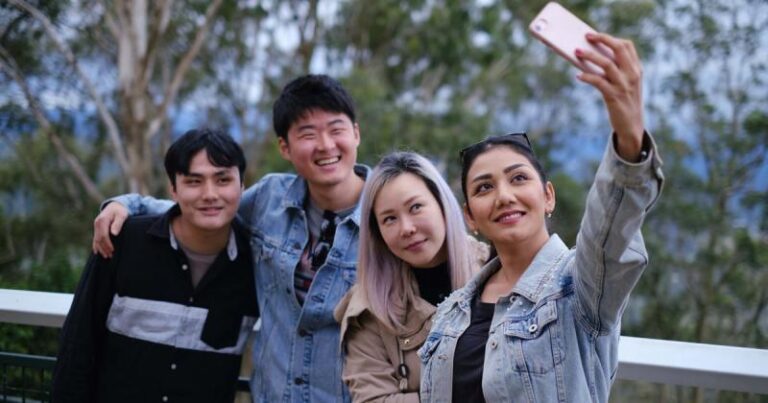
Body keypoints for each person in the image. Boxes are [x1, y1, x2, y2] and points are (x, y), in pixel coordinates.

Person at [418, 33, 664, 403]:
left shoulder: (580, 288)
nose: (504, 196)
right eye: (484, 188)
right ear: (470, 216)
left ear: (547, 196)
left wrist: (628, 140)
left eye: (518, 178)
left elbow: (608, 233)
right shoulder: (451, 312)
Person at [91, 75, 367, 402]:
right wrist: (126, 204)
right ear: (284, 147)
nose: (325, 145)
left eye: (336, 130)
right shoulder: (270, 200)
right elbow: (208, 208)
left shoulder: (387, 213)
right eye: (307, 134)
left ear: (356, 133)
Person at [52, 128, 258, 403]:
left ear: (242, 187)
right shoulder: (123, 241)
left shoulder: (257, 262)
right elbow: (78, 342)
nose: (210, 194)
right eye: (194, 181)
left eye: (223, 180)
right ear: (173, 189)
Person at [333, 151, 488, 402]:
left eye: (415, 207)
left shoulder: (498, 270)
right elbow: (373, 399)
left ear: (442, 204)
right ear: (377, 232)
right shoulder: (369, 308)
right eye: (389, 219)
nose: (407, 228)